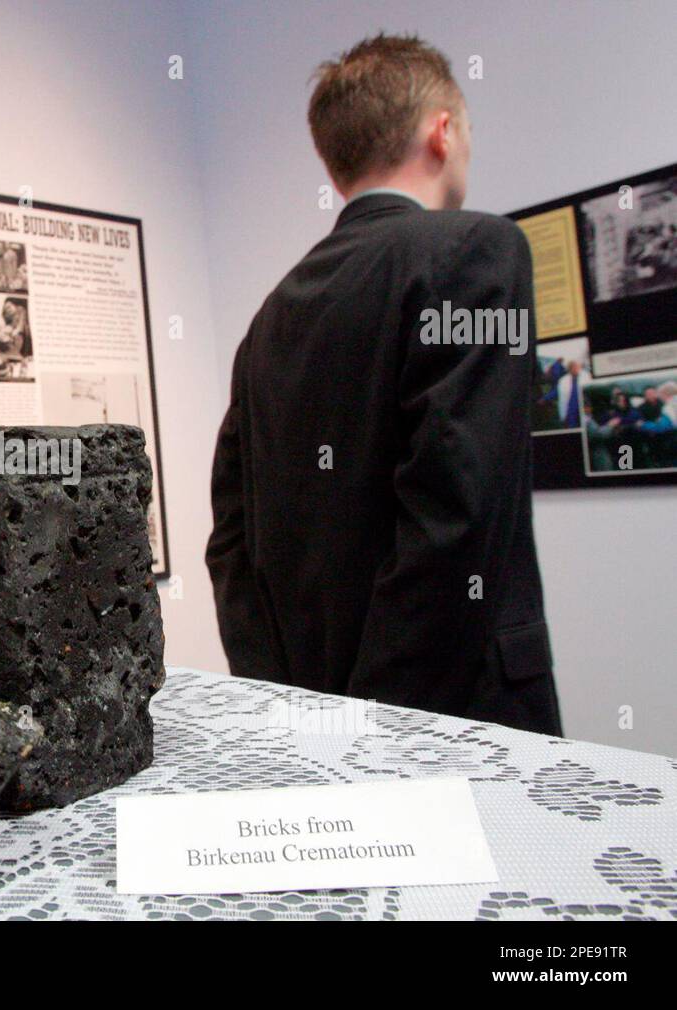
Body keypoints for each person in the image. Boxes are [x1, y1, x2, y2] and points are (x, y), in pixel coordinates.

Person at [206, 34, 561, 734]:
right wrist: (376, 729)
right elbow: (456, 513)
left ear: (336, 167)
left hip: (313, 728)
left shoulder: (270, 316)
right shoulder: (479, 251)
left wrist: (299, 714)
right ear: (441, 130)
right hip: (459, 725)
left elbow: (230, 545)